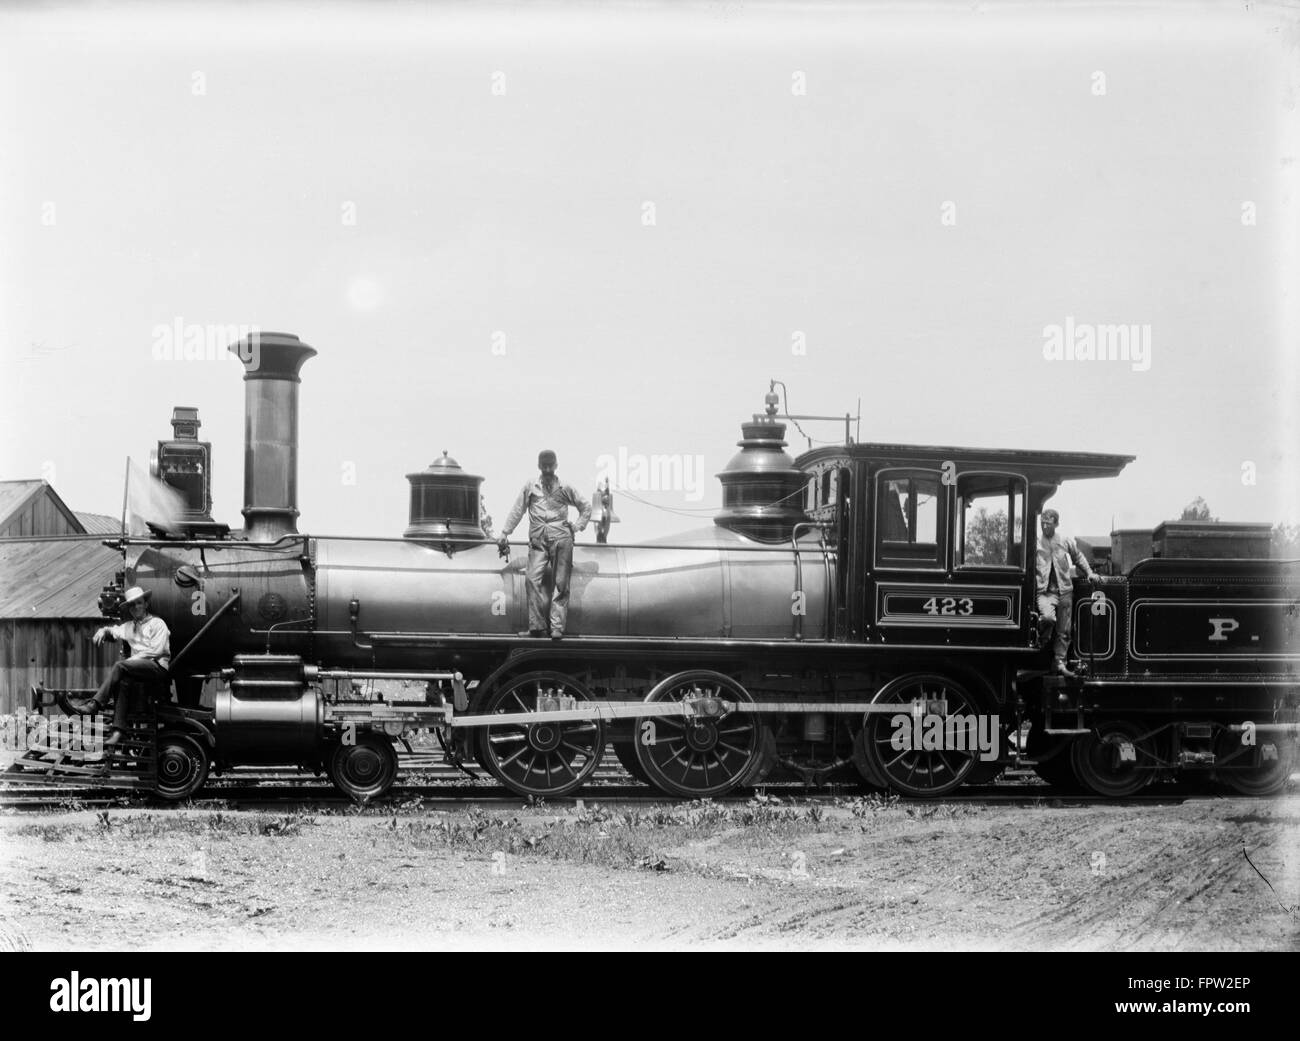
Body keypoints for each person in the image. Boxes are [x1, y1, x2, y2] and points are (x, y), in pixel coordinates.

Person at [497, 451, 591, 639]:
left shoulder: (566, 487)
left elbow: (586, 507)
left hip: (561, 539)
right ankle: (537, 627)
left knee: (561, 584)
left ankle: (557, 627)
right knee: (531, 579)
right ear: (539, 467)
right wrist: (505, 532)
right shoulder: (531, 486)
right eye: (544, 466)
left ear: (556, 466)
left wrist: (577, 526)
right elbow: (518, 510)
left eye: (550, 466)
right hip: (538, 542)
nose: (547, 469)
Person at [71, 586, 171, 745]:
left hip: (157, 667)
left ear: (145, 604)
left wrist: (130, 661)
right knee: (123, 682)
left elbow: (156, 651)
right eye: (132, 605)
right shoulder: (129, 626)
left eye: (139, 603)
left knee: (120, 666)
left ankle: (95, 704)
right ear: (129, 609)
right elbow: (114, 630)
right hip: (137, 669)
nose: (136, 607)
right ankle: (119, 732)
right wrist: (103, 631)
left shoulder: (158, 624)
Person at [1036, 509, 1100, 676]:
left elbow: (1078, 557)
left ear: (1056, 524)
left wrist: (1089, 573)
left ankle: (1059, 663)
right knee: (1048, 619)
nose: (1044, 526)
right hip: (1045, 592)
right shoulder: (1035, 541)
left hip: (1064, 590)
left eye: (1048, 523)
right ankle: (1041, 645)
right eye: (1042, 523)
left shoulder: (1065, 541)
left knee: (1064, 631)